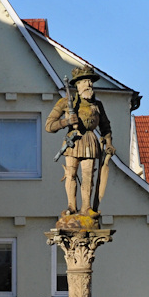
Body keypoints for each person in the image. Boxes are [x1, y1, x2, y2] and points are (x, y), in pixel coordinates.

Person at [45, 65, 115, 216]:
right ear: (77, 85)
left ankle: (86, 208)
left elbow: (105, 126)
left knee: (88, 176)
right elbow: (49, 126)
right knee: (70, 174)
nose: (89, 84)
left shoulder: (97, 105)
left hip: (90, 141)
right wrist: (66, 122)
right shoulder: (65, 102)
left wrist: (108, 143)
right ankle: (71, 206)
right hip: (73, 141)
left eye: (90, 81)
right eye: (84, 81)